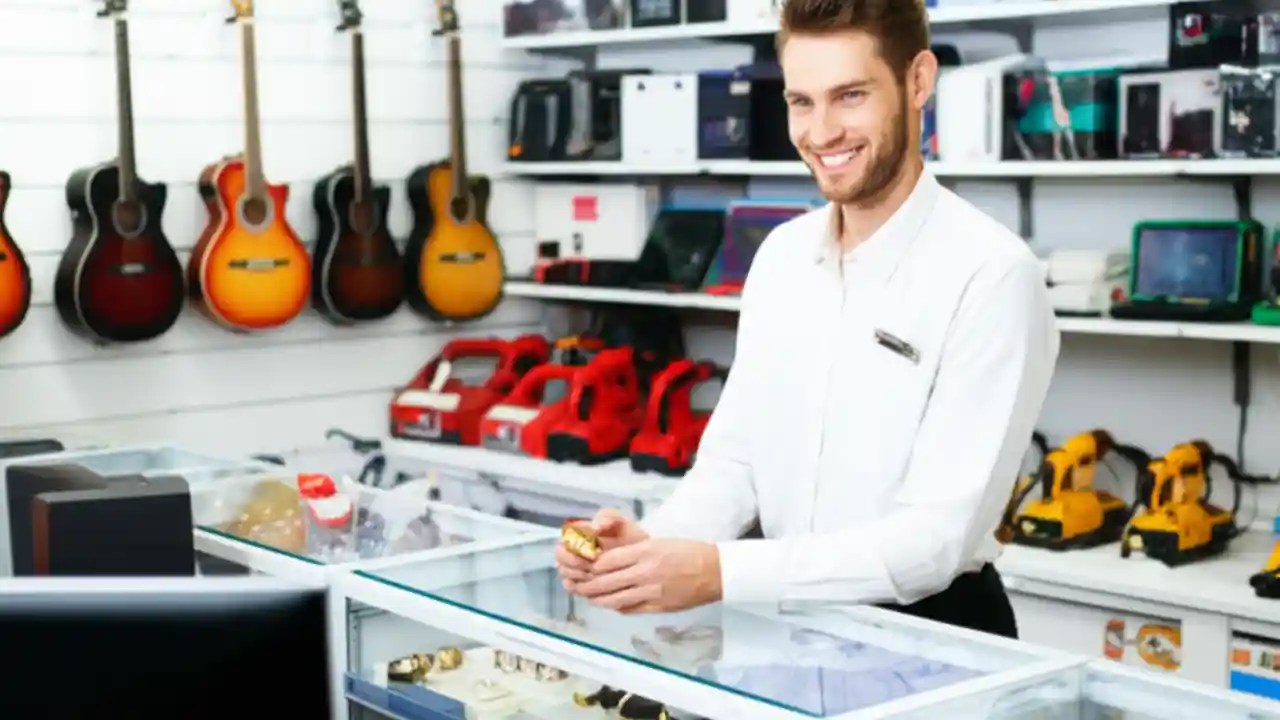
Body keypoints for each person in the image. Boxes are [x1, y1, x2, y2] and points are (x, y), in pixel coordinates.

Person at [555, 0, 1060, 639]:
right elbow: (735, 464)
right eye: (801, 101)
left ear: (918, 81)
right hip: (784, 625)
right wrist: (649, 548)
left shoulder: (992, 275)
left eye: (850, 95)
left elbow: (932, 543)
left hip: (935, 634)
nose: (821, 133)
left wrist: (716, 572)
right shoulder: (782, 258)